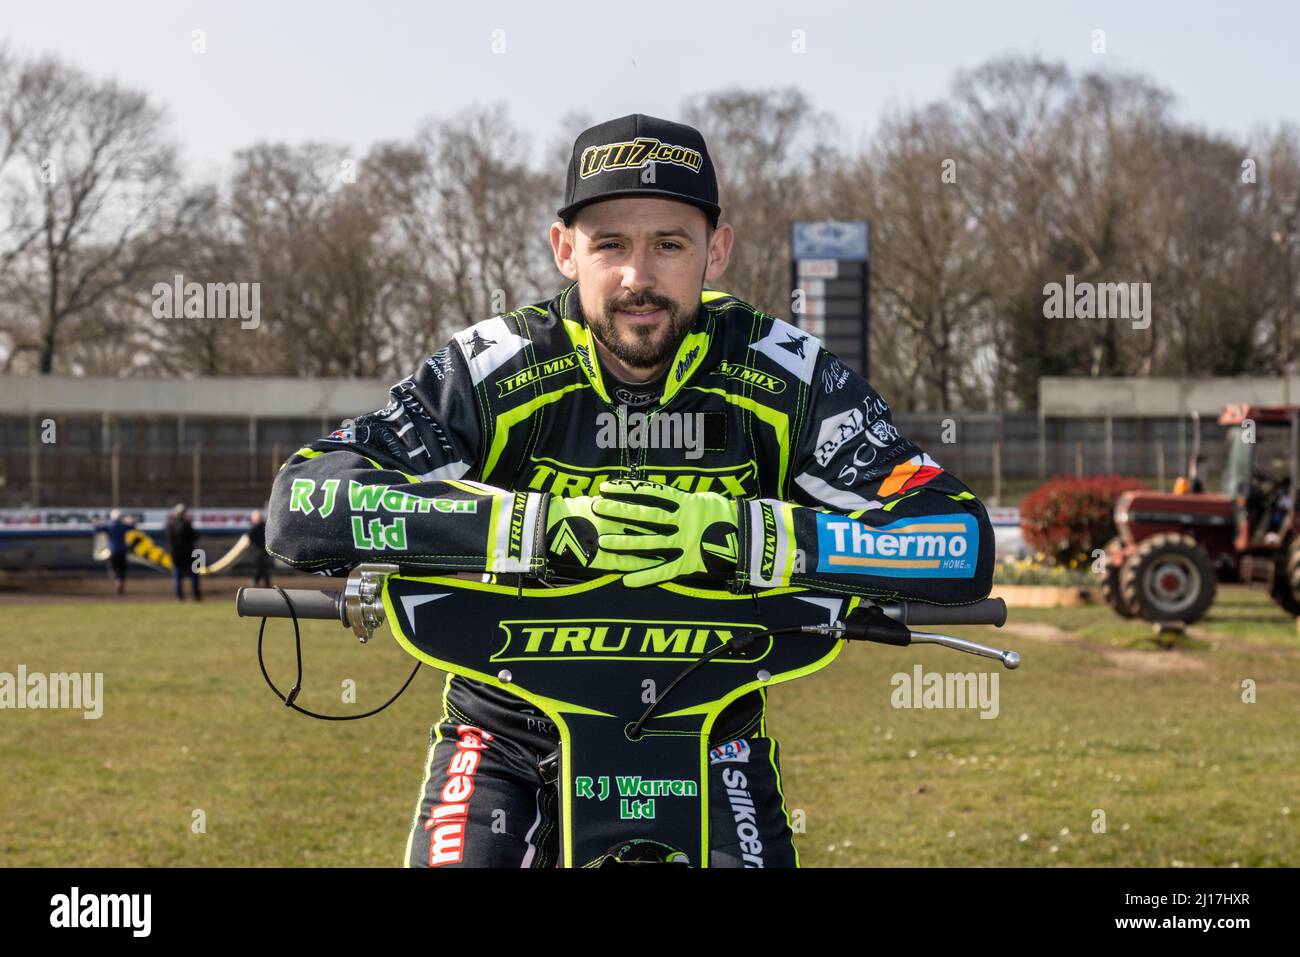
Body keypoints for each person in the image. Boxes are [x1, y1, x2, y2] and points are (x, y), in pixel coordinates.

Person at [265, 114, 995, 868]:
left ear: (716, 251)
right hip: (503, 734)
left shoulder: (786, 371)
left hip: (710, 732)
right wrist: (523, 529)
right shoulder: (493, 367)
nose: (637, 278)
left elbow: (960, 540)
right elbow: (303, 501)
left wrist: (753, 538)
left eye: (669, 245)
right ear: (564, 250)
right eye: (609, 244)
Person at [165, 503, 201, 601]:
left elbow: (169, 540)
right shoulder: (186, 524)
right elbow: (195, 537)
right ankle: (196, 596)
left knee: (177, 576)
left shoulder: (170, 525)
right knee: (194, 576)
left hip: (176, 554)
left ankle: (179, 597)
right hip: (189, 554)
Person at [93, 508, 133, 595]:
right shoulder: (123, 525)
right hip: (123, 550)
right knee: (122, 568)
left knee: (113, 568)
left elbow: (97, 529)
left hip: (113, 550)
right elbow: (132, 527)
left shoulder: (109, 525)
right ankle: (120, 580)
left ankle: (117, 579)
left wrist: (97, 521)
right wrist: (130, 521)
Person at [248, 509, 272, 586]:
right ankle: (265, 583)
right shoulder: (264, 526)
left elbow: (249, 538)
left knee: (261, 569)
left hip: (259, 552)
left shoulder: (255, 528)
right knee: (262, 569)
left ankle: (259, 583)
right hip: (263, 551)